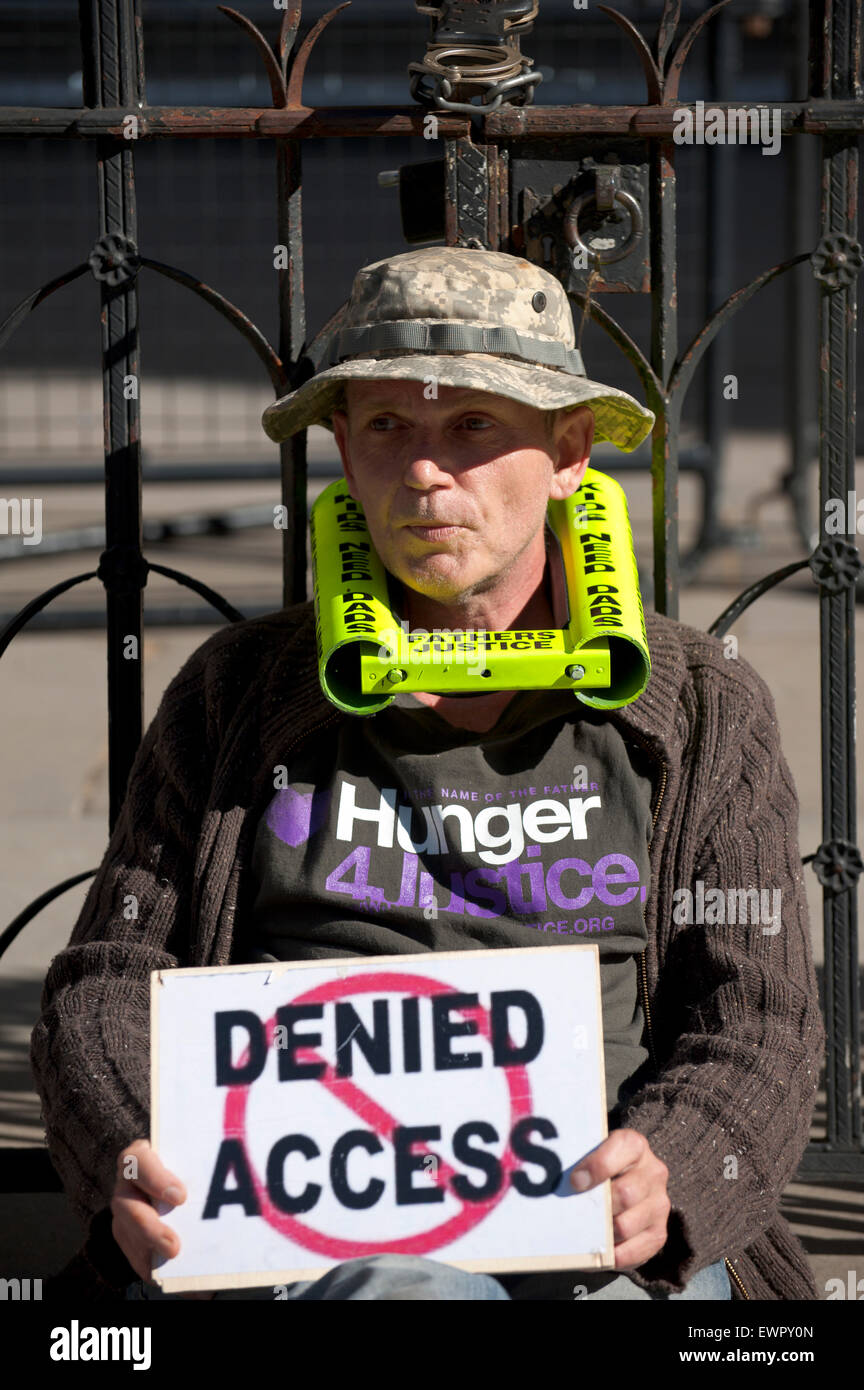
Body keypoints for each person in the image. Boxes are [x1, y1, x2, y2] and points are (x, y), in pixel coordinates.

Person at [31, 247, 825, 1302]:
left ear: (570, 449)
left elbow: (760, 1020)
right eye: (387, 427)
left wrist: (669, 1170)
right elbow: (105, 986)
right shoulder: (237, 693)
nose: (422, 473)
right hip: (303, 1239)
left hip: (594, 1235)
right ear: (344, 450)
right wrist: (130, 1149)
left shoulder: (698, 706)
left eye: (472, 428)